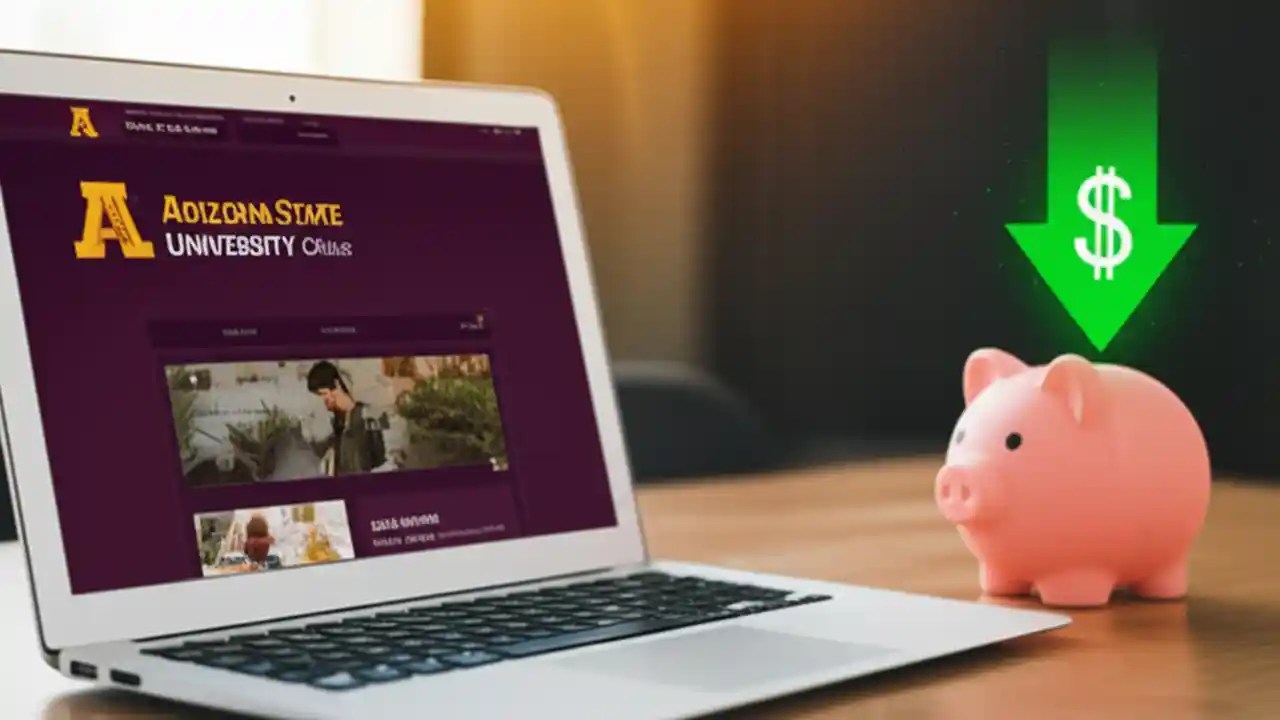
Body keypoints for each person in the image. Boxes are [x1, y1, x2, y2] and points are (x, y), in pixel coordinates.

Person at [306, 361, 386, 475]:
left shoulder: (366, 417)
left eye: (323, 393)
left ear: (337, 384)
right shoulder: (338, 424)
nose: (322, 400)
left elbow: (382, 462)